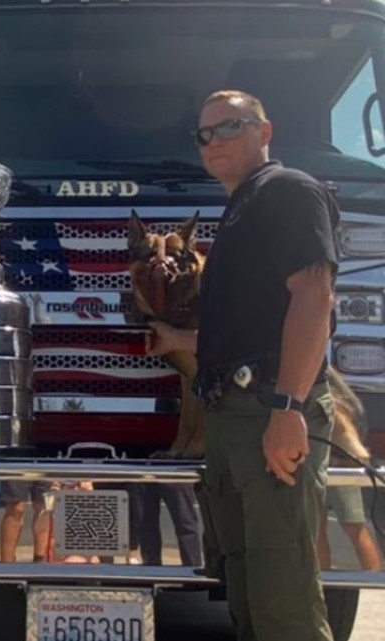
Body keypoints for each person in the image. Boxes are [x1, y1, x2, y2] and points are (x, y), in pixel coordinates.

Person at [147, 89, 340, 641]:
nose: (214, 143)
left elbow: (313, 297)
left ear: (264, 131)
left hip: (266, 409)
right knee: (247, 584)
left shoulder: (287, 190)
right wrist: (181, 338)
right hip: (231, 417)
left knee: (283, 594)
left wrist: (288, 406)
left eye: (229, 128)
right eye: (204, 135)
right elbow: (252, 320)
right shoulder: (240, 207)